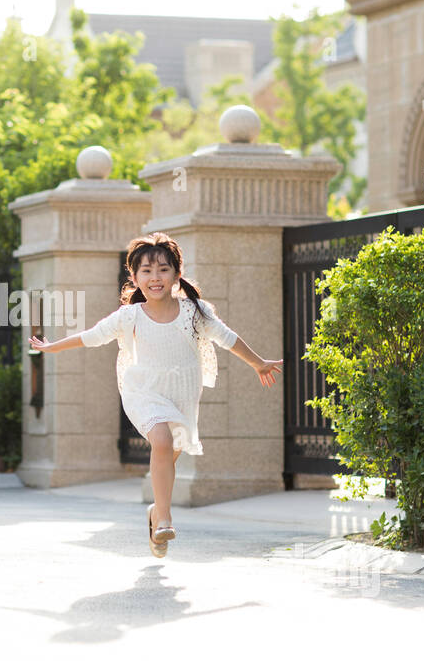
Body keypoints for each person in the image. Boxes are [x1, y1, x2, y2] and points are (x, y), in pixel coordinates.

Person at [30, 232, 283, 557]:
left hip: (182, 393)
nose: (155, 277)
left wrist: (258, 363)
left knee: (169, 452)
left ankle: (154, 514)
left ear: (177, 274)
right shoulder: (130, 316)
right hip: (143, 390)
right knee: (162, 442)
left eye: (163, 269)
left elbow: (226, 337)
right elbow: (93, 336)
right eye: (146, 271)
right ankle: (164, 518)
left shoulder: (195, 311)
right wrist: (53, 346)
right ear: (134, 278)